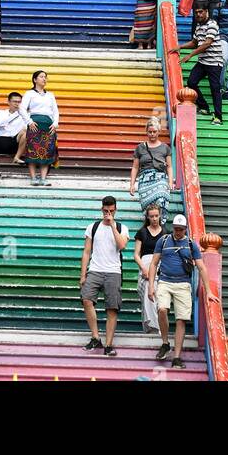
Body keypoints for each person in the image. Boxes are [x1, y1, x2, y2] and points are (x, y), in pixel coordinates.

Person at [148, 214, 215, 369]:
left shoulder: (191, 244)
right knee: (162, 309)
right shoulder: (163, 241)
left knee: (181, 320)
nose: (178, 232)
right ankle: (165, 343)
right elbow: (153, 264)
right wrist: (151, 285)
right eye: (176, 229)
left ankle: (177, 356)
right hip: (164, 280)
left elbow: (202, 267)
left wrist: (209, 291)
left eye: (181, 230)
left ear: (185, 229)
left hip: (183, 283)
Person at [80, 196, 129, 358]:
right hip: (95, 269)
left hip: (114, 271)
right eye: (106, 211)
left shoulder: (122, 227)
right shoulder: (93, 227)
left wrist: (113, 226)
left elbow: (122, 246)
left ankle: (108, 345)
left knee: (112, 308)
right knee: (86, 299)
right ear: (102, 209)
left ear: (116, 210)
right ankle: (95, 337)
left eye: (112, 211)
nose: (109, 213)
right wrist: (83, 275)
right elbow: (86, 252)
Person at [174, 2, 224, 125]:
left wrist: (190, 55)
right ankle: (204, 107)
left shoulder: (212, 24)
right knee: (191, 82)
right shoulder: (198, 25)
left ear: (207, 11)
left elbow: (207, 43)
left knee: (215, 89)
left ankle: (218, 117)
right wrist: (180, 47)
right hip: (203, 62)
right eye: (196, 12)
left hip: (214, 62)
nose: (198, 14)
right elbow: (195, 42)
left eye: (201, 12)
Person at [129, 116, 173, 220]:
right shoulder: (140, 148)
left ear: (159, 132)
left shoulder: (165, 148)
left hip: (160, 178)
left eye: (154, 132)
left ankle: (161, 224)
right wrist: (132, 184)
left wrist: (170, 182)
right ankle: (150, 228)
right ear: (146, 132)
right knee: (148, 208)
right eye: (150, 132)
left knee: (161, 198)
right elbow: (135, 167)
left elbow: (170, 166)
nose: (152, 134)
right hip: (145, 180)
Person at [20, 69, 60, 184]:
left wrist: (55, 123)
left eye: (45, 77)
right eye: (42, 77)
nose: (44, 79)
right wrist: (29, 122)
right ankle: (33, 179)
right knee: (32, 151)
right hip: (35, 126)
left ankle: (43, 179)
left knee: (46, 152)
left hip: (48, 126)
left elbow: (55, 111)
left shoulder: (50, 95)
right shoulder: (29, 94)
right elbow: (22, 109)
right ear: (35, 80)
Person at [134, 204, 165, 334]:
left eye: (156, 216)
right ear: (147, 217)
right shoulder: (142, 232)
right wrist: (144, 268)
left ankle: (155, 326)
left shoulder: (165, 232)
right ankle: (153, 327)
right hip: (145, 264)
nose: (154, 219)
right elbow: (136, 254)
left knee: (157, 296)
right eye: (151, 216)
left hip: (160, 266)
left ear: (160, 216)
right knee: (148, 288)